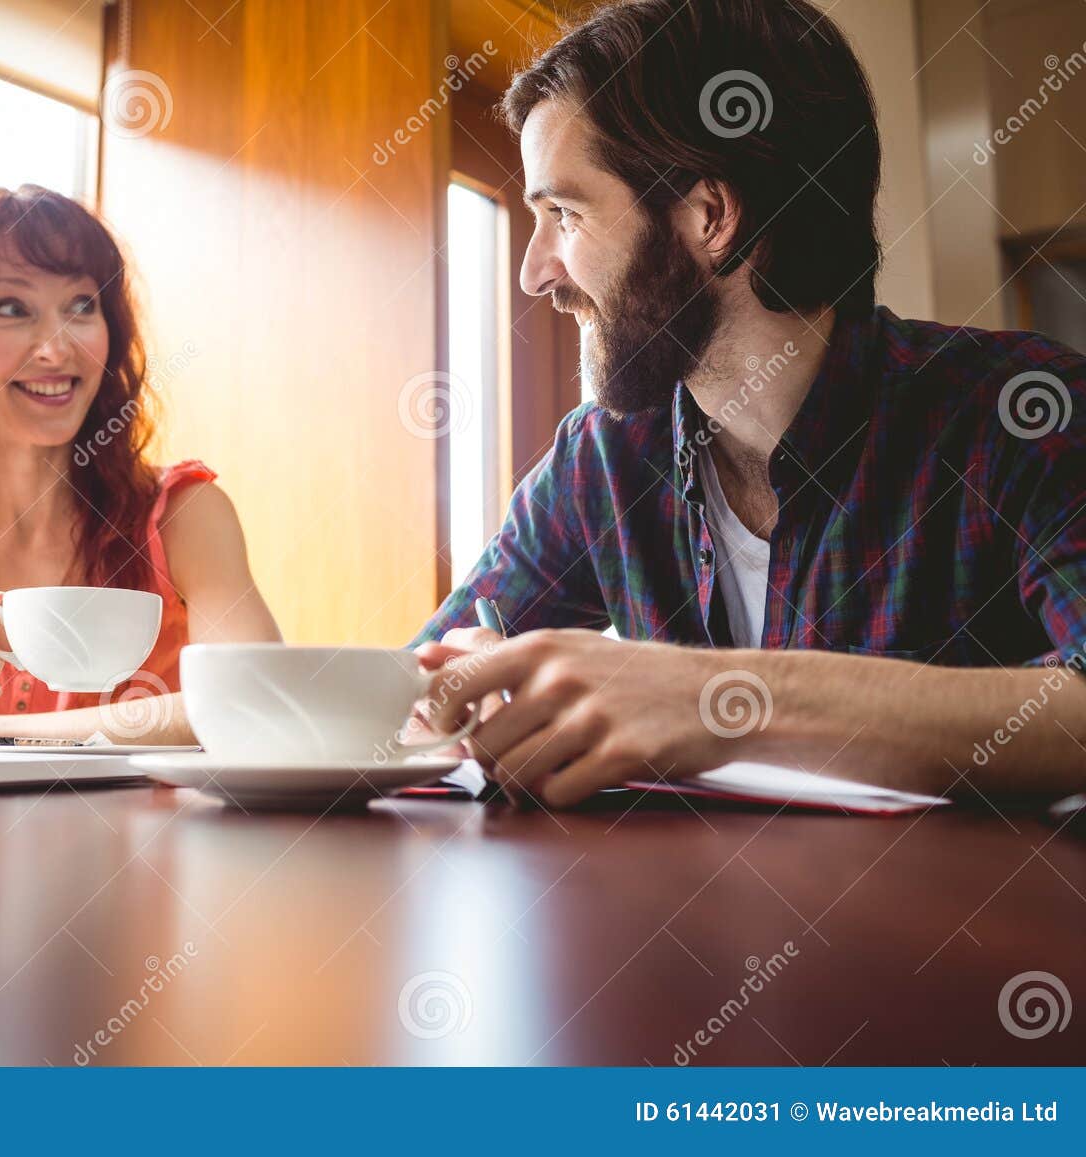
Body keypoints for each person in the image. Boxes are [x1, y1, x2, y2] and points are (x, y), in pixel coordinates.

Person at [415, 0, 1086, 808]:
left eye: (563, 213)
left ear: (709, 216)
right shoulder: (603, 458)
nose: (534, 273)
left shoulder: (1021, 416)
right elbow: (425, 679)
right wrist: (466, 686)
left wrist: (717, 699)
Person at [0, 185, 280, 748]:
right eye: (13, 308)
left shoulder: (183, 515)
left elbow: (259, 701)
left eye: (81, 306)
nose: (56, 349)